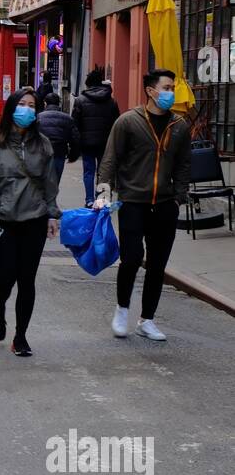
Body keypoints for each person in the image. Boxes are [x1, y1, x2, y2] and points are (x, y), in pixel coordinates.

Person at [95, 68, 191, 342]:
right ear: (150, 91)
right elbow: (110, 160)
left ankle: (147, 320)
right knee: (132, 258)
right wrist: (103, 194)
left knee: (158, 264)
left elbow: (184, 164)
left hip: (165, 205)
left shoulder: (179, 126)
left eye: (172, 88)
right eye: (167, 88)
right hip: (133, 202)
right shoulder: (127, 122)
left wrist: (178, 196)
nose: (171, 93)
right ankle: (122, 310)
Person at [0, 87, 61, 357]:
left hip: (34, 219)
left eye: (32, 105)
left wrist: (52, 214)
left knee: (27, 280)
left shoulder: (42, 144)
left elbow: (49, 182)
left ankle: (20, 337)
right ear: (12, 109)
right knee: (5, 278)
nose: (27, 109)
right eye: (22, 104)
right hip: (4, 222)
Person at [72, 68, 120, 207]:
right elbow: (116, 122)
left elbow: (74, 123)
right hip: (106, 143)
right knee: (103, 171)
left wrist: (76, 142)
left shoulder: (80, 100)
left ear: (88, 84)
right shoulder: (111, 101)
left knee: (88, 171)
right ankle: (102, 199)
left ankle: (89, 200)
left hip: (87, 143)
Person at [38, 92, 81, 182]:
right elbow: (75, 138)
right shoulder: (67, 118)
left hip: (42, 154)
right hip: (59, 153)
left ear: (45, 103)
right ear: (59, 103)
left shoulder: (38, 118)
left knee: (41, 182)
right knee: (55, 181)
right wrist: (73, 155)